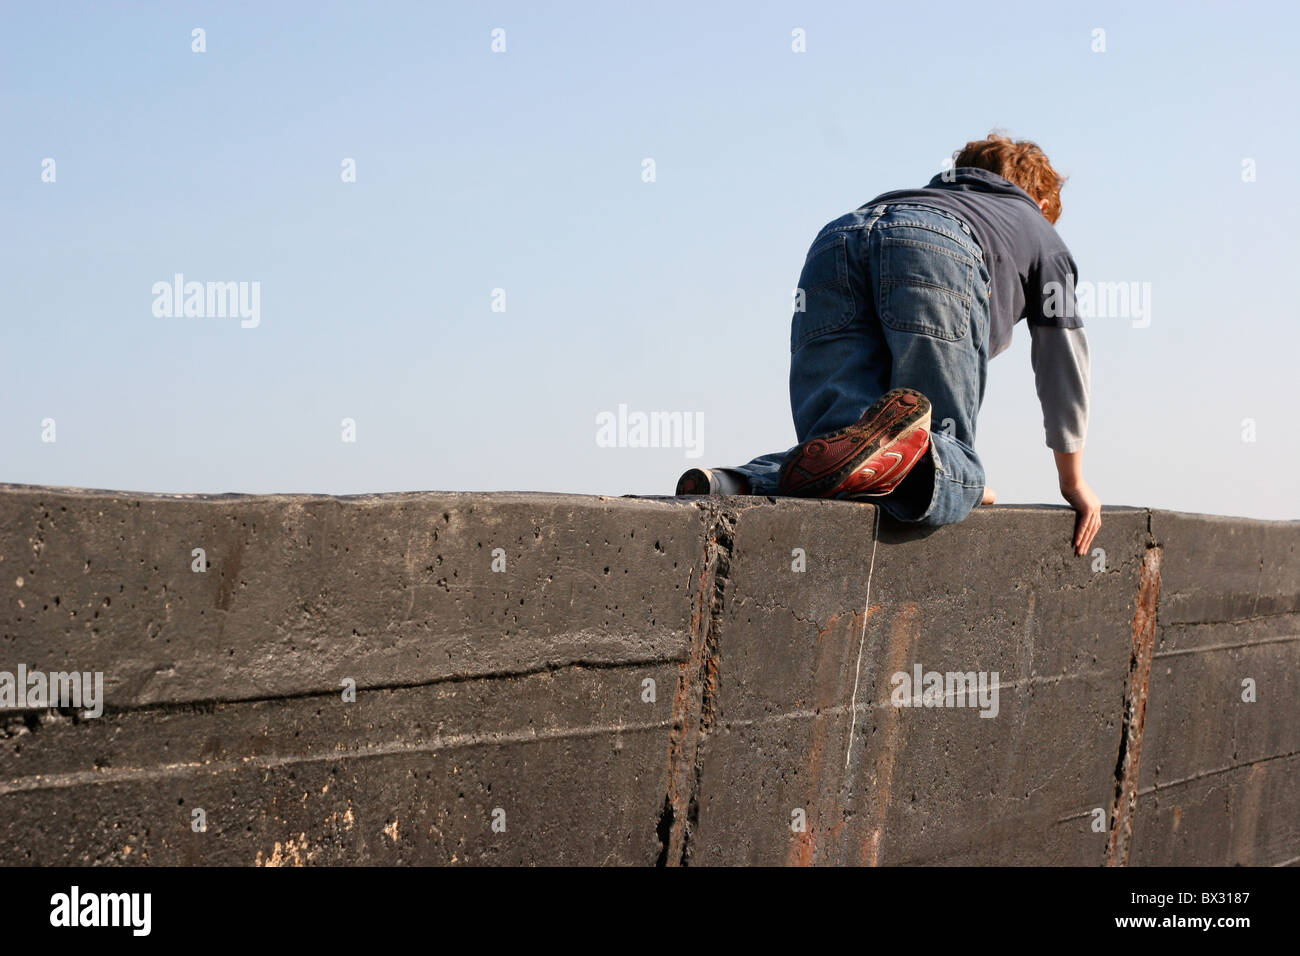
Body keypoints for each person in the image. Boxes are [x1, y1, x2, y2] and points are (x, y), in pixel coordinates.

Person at [675, 132, 1101, 556]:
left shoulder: (924, 194)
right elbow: (1063, 362)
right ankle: (944, 475)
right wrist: (1073, 481)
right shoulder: (1037, 229)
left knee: (838, 456)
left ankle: (738, 482)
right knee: (948, 450)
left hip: (834, 241)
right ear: (1042, 204)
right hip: (938, 250)